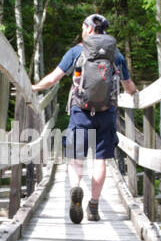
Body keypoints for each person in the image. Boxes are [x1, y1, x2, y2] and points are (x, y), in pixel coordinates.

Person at [31, 14, 137, 223]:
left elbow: (53, 79)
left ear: (89, 29)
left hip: (81, 111)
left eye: (83, 27)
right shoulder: (116, 55)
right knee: (100, 160)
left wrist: (33, 88)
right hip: (106, 113)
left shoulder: (76, 51)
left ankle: (75, 189)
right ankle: (94, 206)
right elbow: (129, 87)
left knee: (76, 158)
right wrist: (136, 94)